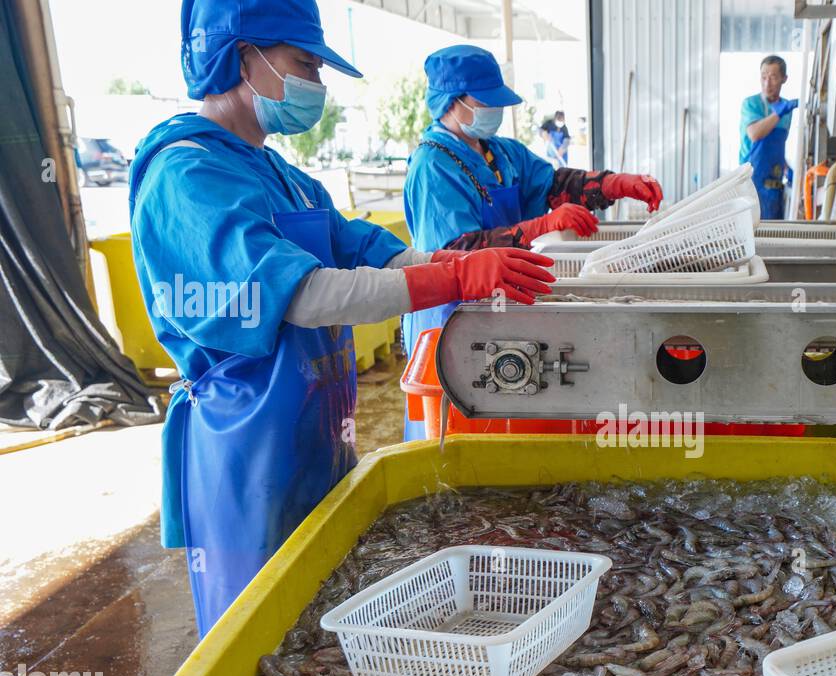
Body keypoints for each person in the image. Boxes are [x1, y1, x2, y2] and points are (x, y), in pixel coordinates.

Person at [130, 0, 555, 635]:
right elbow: (303, 294)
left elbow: (364, 248)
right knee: (257, 637)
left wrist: (460, 262)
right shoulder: (186, 174)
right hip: (246, 445)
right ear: (243, 57)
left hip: (319, 432)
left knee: (322, 623)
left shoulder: (283, 175)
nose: (317, 85)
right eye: (305, 63)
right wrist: (454, 274)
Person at [402, 45, 663, 437]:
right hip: (450, 318)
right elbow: (456, 252)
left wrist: (614, 183)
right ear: (452, 102)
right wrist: (539, 227)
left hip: (500, 302)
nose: (495, 111)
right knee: (459, 426)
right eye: (484, 101)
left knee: (507, 410)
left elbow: (555, 183)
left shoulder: (501, 153)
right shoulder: (432, 166)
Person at [740, 55, 798, 220]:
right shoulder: (751, 104)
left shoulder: (786, 110)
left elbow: (777, 146)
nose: (767, 83)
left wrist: (787, 168)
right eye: (764, 76)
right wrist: (778, 113)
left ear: (784, 79)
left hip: (775, 186)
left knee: (773, 235)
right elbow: (755, 134)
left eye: (773, 77)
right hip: (751, 183)